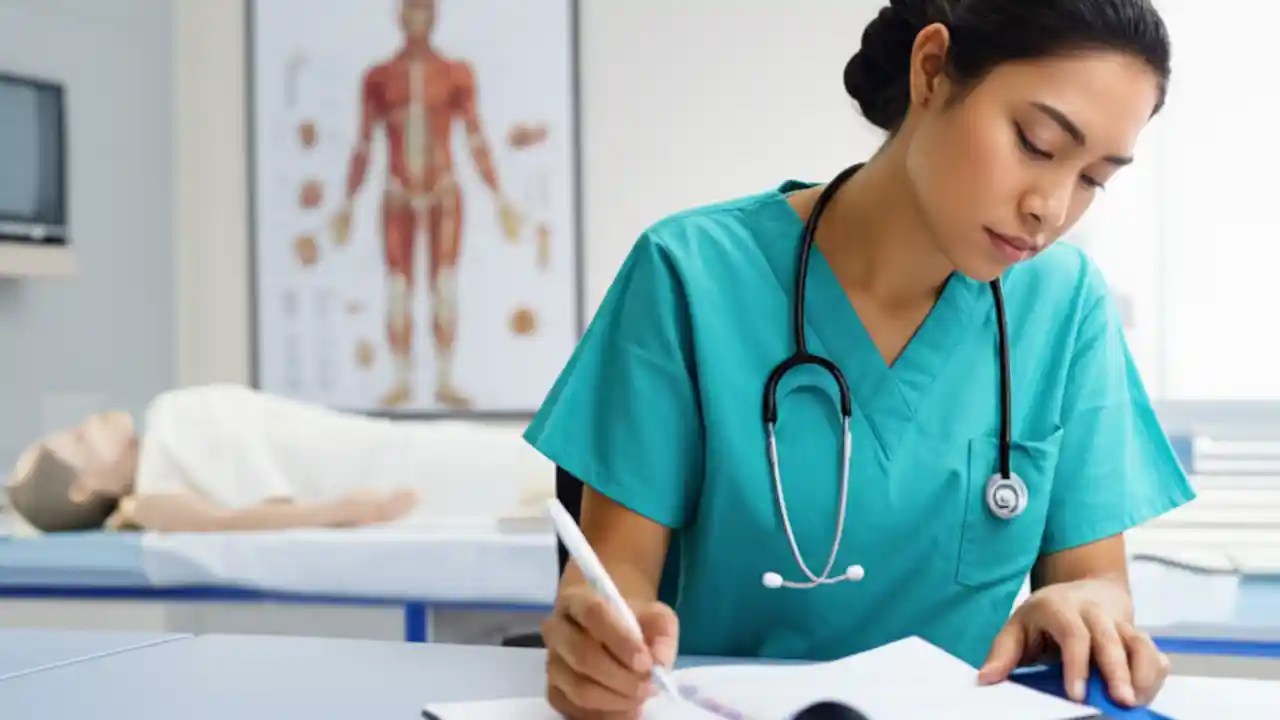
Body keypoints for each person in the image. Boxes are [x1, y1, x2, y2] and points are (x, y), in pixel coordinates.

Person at [522, 1, 1196, 717]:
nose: (1052, 207)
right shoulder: (689, 274)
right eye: (1035, 142)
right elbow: (611, 583)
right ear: (931, 71)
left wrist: (1086, 606)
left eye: (1094, 178)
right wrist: (596, 644)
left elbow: (1096, 582)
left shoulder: (1064, 307)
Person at [4, 384, 547, 534]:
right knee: (550, 472)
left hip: (383, 452)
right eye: (77, 441)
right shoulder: (156, 490)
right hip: (386, 476)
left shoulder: (166, 427)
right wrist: (345, 510)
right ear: (84, 489)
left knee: (541, 463)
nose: (89, 424)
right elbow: (237, 520)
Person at [331, 0, 523, 411]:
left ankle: (444, 378)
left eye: (424, 10)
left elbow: (474, 136)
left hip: (443, 191)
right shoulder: (379, 77)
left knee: (444, 287)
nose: (417, 19)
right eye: (410, 10)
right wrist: (347, 202)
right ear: (400, 17)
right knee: (399, 288)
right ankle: (401, 378)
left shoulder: (454, 74)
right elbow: (364, 142)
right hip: (399, 193)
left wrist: (500, 198)